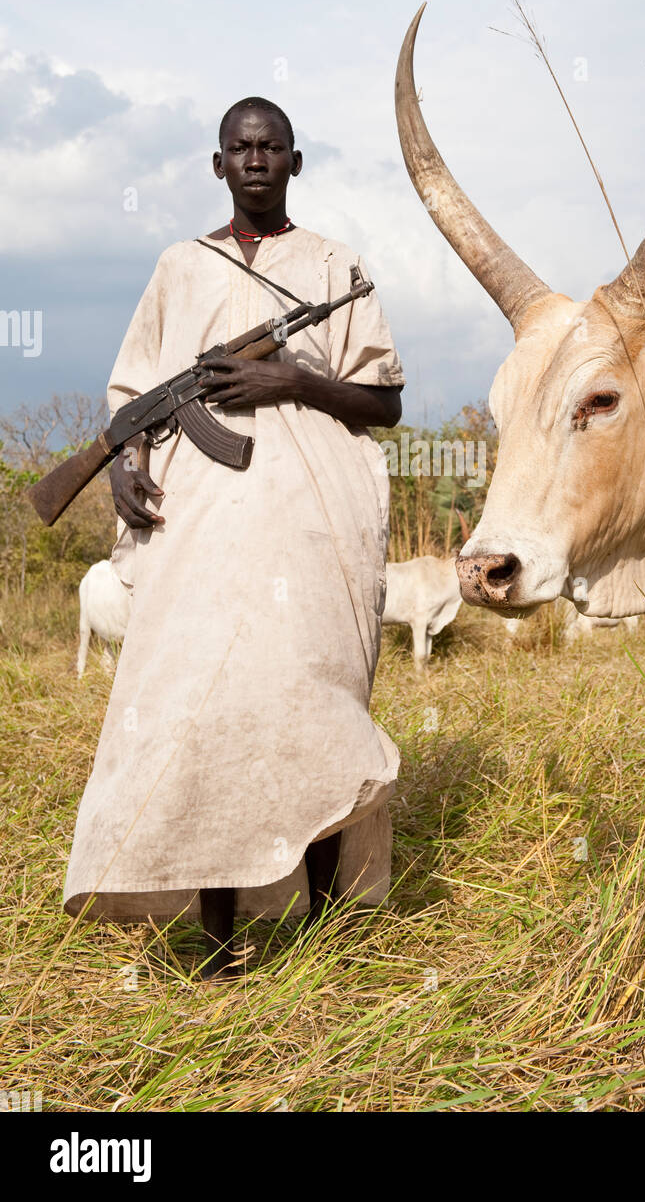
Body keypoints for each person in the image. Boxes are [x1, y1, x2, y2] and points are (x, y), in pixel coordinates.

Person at [63, 97, 404, 977]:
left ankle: (327, 927)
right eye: (239, 148)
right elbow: (132, 394)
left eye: (272, 147)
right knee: (205, 710)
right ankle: (218, 944)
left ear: (295, 161)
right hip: (200, 523)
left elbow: (386, 404)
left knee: (311, 704)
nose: (255, 160)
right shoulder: (180, 265)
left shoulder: (334, 265)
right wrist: (126, 463)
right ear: (218, 165)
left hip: (313, 524)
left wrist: (291, 381)